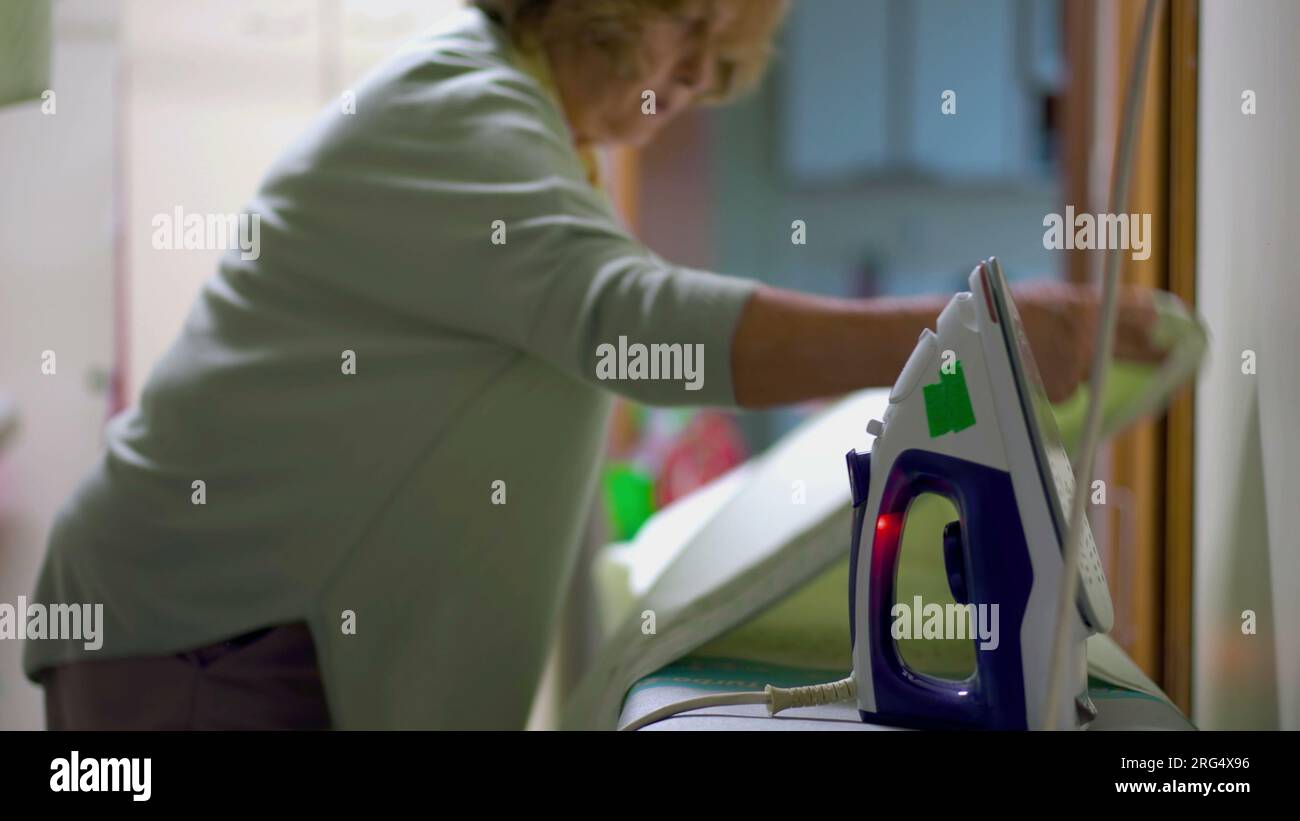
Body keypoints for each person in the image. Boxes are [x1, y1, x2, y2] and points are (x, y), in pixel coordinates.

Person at [24, 0, 1158, 729]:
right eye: (689, 37)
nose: (692, 90)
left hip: (236, 632)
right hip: (192, 631)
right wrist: (956, 327)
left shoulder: (520, 136)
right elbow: (630, 323)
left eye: (722, 65)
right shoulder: (456, 108)